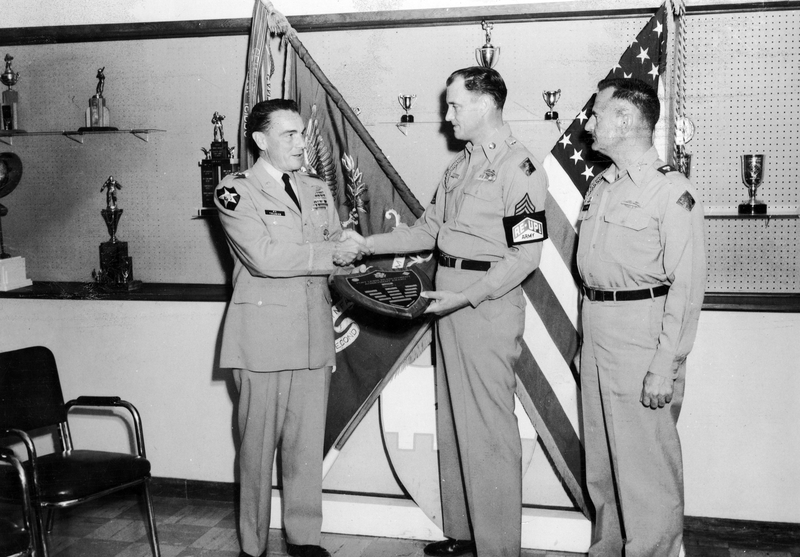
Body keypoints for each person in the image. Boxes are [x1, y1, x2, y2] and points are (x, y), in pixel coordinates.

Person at [341, 66, 549, 557]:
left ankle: (498, 549)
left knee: (488, 431)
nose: (447, 116)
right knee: (455, 420)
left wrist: (467, 296)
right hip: (447, 298)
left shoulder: (520, 168)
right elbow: (428, 231)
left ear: (486, 104)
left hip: (485, 302)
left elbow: (526, 256)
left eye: (455, 105)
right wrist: (366, 244)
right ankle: (464, 533)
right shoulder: (459, 166)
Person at [214, 99, 360, 557]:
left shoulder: (316, 189)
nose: (301, 143)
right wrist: (331, 254)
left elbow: (334, 245)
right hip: (264, 340)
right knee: (256, 451)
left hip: (314, 334)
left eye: (301, 133)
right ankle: (252, 546)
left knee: (306, 447)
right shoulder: (236, 191)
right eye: (289, 135)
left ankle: (304, 538)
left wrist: (354, 253)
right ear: (261, 140)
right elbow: (265, 258)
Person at [577, 78, 706, 556]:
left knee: (645, 469)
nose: (589, 124)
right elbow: (593, 275)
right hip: (597, 331)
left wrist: (664, 365)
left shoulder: (670, 190)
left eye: (597, 113)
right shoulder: (601, 186)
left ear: (626, 119)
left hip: (641, 336)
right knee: (603, 466)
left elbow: (687, 288)